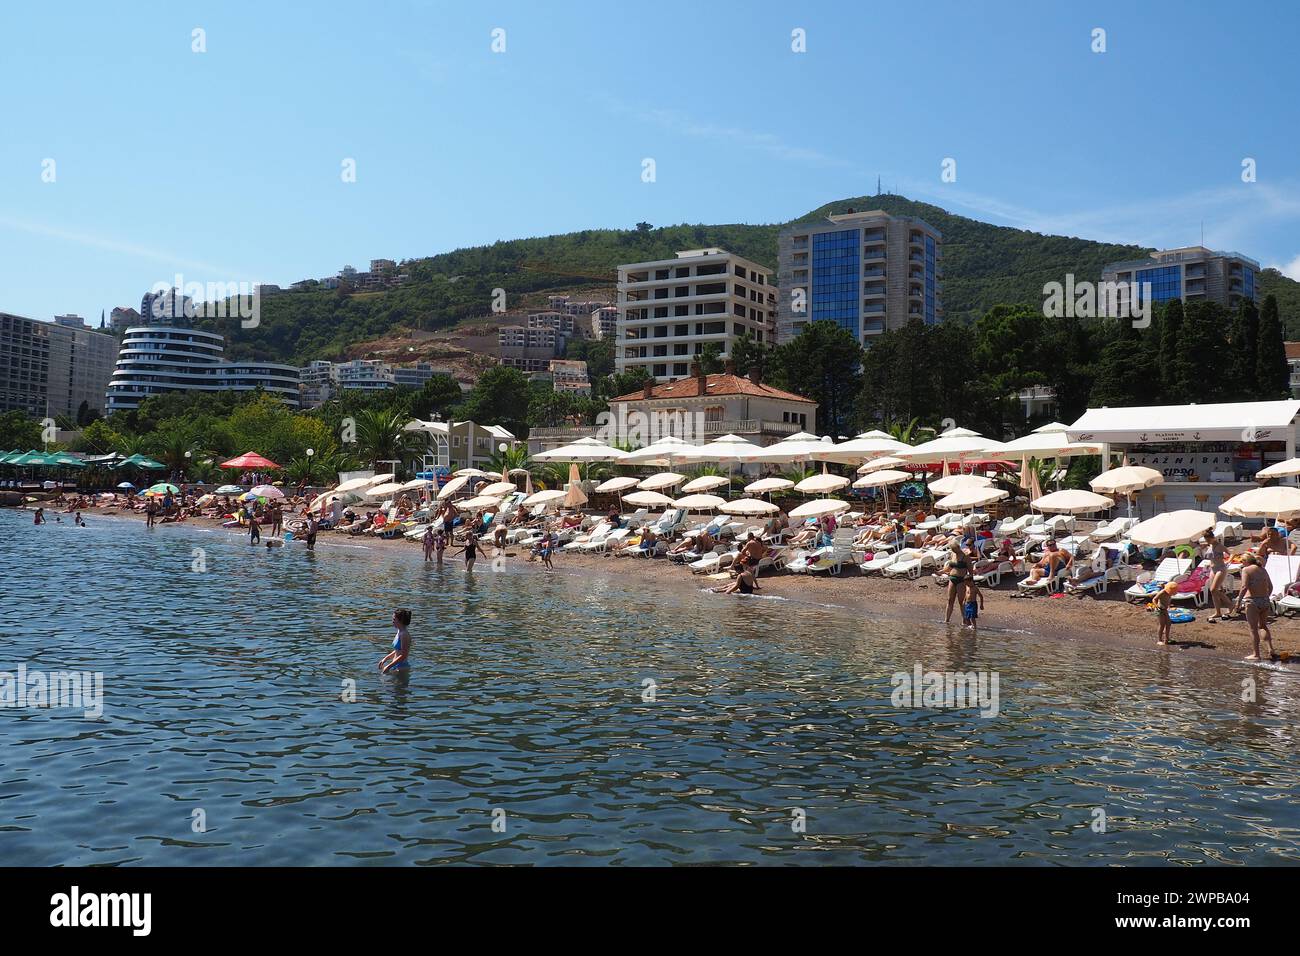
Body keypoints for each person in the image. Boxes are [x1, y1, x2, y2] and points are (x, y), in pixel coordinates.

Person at [1234, 555, 1277, 661]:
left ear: (1245, 561)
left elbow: (1244, 587)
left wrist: (1238, 602)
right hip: (1265, 600)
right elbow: (1270, 587)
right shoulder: (1263, 569)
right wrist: (1265, 596)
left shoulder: (1246, 570)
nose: (1242, 564)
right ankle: (1271, 649)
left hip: (1252, 601)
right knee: (1263, 626)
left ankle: (1256, 654)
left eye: (1242, 562)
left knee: (1253, 629)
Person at [1203, 531, 1232, 622]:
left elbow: (1231, 553)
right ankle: (1218, 612)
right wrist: (1209, 564)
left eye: (1208, 539)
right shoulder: (1210, 546)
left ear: (1213, 537)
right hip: (1213, 569)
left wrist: (1228, 561)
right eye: (1206, 540)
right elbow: (1212, 558)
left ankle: (1230, 604)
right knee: (1214, 592)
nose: (1207, 541)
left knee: (1213, 589)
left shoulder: (1219, 546)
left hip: (1221, 569)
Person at [943, 537, 972, 624]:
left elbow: (970, 571)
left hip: (961, 579)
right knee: (950, 600)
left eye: (955, 549)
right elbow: (949, 567)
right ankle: (947, 620)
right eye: (953, 549)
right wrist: (940, 571)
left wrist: (970, 584)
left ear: (958, 547)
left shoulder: (965, 556)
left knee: (961, 601)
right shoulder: (953, 554)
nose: (954, 551)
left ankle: (965, 620)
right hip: (952, 578)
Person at [378, 608, 412, 674]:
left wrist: (388, 666)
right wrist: (385, 659)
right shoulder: (399, 632)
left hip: (402, 668)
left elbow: (404, 655)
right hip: (395, 666)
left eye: (394, 619)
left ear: (400, 620)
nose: (392, 621)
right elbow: (397, 651)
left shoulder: (404, 634)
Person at [1154, 581, 1175, 646]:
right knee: (1162, 625)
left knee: (1168, 624)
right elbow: (1154, 599)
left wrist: (1168, 606)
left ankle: (1167, 639)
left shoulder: (1170, 593)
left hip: (1165, 609)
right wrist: (1156, 606)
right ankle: (1159, 640)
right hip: (1159, 610)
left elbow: (1167, 600)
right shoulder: (1162, 592)